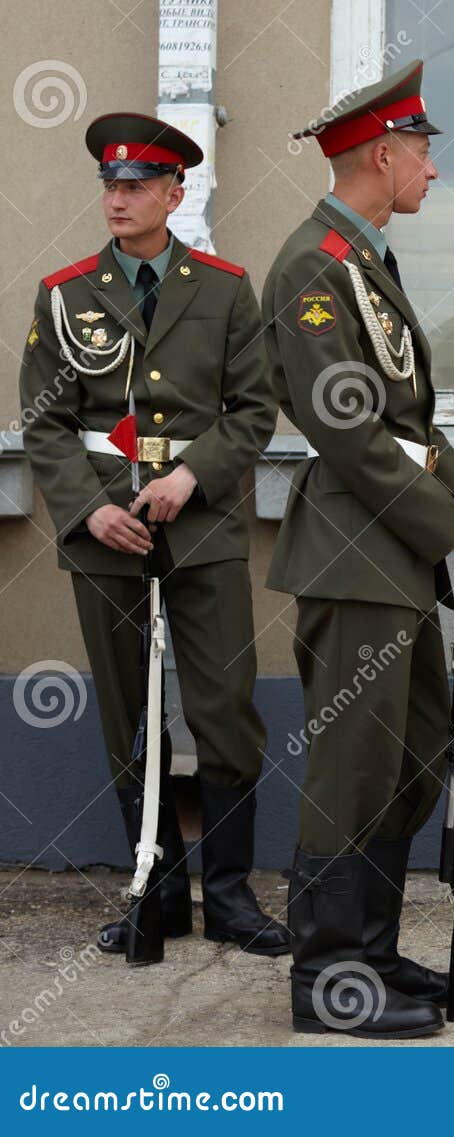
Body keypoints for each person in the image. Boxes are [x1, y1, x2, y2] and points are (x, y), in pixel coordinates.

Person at [264, 61, 454, 1039]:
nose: (432, 171)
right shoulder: (312, 266)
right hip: (354, 551)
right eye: (422, 152)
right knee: (352, 771)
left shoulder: (361, 259)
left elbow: (402, 421)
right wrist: (449, 526)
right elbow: (348, 434)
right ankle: (327, 977)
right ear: (380, 154)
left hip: (392, 554)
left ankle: (367, 947)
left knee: (407, 762)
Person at [19, 112, 283, 961]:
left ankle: (231, 895)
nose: (118, 199)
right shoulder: (66, 293)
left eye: (136, 186)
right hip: (106, 533)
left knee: (226, 708)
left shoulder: (225, 289)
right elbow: (46, 422)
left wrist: (190, 475)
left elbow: (254, 409)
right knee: (131, 715)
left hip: (200, 526)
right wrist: (89, 509)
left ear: (175, 193)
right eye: (110, 184)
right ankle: (157, 889)